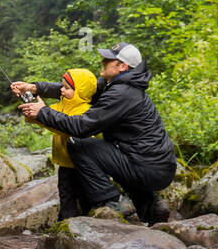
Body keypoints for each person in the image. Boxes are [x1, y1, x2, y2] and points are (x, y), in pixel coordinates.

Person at [12, 42, 177, 225]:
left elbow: (82, 127)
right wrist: (35, 88)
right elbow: (78, 89)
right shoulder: (120, 85)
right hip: (157, 167)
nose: (103, 61)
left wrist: (43, 112)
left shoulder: (121, 93)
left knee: (78, 144)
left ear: (122, 67)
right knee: (122, 155)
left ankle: (112, 201)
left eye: (109, 60)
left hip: (149, 169)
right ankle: (151, 207)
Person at [29, 68, 99, 219]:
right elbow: (45, 118)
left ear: (81, 91)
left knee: (86, 199)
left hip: (83, 168)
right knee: (66, 198)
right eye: (62, 86)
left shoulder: (87, 112)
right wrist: (32, 109)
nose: (61, 90)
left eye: (67, 88)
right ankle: (65, 224)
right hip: (65, 167)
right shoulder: (61, 106)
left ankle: (89, 224)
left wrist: (43, 114)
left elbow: (68, 129)